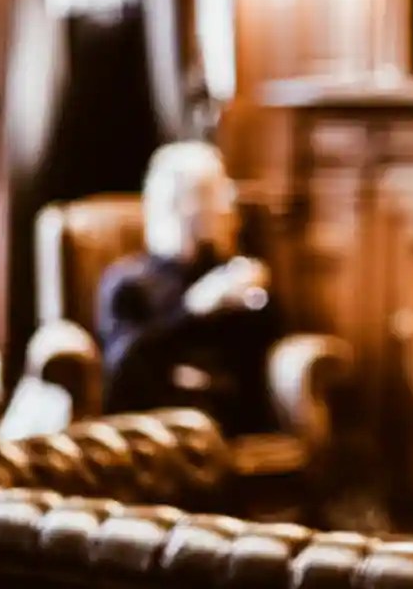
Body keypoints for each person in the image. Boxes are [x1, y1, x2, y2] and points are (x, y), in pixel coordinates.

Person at [96, 142, 282, 435]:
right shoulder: (129, 282)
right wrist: (193, 309)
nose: (227, 203)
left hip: (229, 426)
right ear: (178, 204)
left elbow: (259, 357)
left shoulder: (229, 276)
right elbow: (122, 372)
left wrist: (262, 299)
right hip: (159, 432)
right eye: (211, 192)